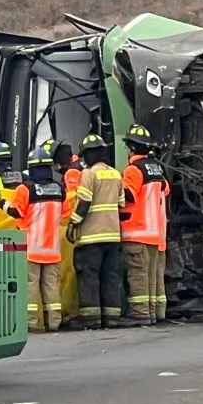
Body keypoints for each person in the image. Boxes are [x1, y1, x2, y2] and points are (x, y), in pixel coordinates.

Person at [66, 133, 133, 330]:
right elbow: (121, 203)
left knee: (89, 277)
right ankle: (112, 317)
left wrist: (72, 224)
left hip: (92, 237)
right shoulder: (115, 174)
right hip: (113, 236)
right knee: (111, 276)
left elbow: (83, 203)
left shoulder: (88, 174)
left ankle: (91, 319)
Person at [0, 147, 68, 332]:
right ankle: (54, 321)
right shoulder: (59, 189)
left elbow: (15, 212)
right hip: (52, 249)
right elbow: (65, 214)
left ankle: (32, 322)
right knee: (51, 286)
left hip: (31, 248)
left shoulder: (25, 189)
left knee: (31, 285)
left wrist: (0, 202)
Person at [120, 124, 171, 324]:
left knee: (138, 275)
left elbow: (128, 195)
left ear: (132, 148)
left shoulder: (133, 170)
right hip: (157, 234)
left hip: (137, 232)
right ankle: (157, 312)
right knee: (154, 276)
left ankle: (141, 313)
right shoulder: (158, 169)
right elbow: (166, 191)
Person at [45, 140, 83, 325]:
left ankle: (69, 310)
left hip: (72, 227)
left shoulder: (72, 172)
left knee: (67, 271)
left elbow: (74, 198)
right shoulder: (79, 166)